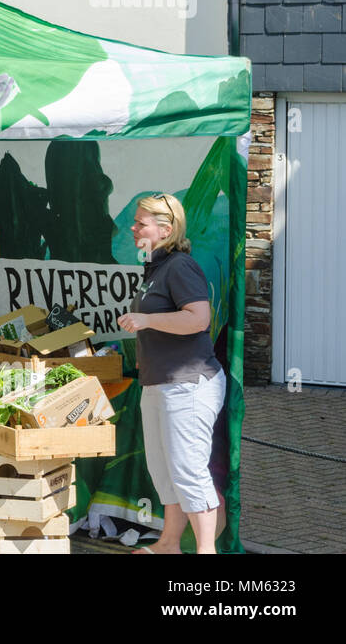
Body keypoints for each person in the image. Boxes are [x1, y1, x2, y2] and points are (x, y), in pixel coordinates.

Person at [118, 192, 225, 555]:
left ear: (165, 229)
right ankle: (168, 544)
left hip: (187, 385)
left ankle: (206, 550)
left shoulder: (180, 266)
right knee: (164, 471)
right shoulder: (156, 266)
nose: (133, 228)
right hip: (159, 383)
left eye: (141, 222)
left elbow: (198, 319)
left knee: (188, 470)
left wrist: (147, 320)